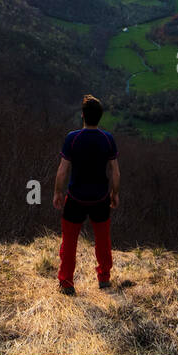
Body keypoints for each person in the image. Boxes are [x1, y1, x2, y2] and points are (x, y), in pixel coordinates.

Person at [52, 94, 119, 295]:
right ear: (100, 117)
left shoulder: (73, 138)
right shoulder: (108, 139)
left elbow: (63, 170)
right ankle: (104, 277)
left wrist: (57, 192)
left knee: (70, 241)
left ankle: (66, 282)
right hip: (100, 198)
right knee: (103, 239)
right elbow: (115, 171)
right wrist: (115, 193)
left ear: (83, 116)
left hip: (75, 198)